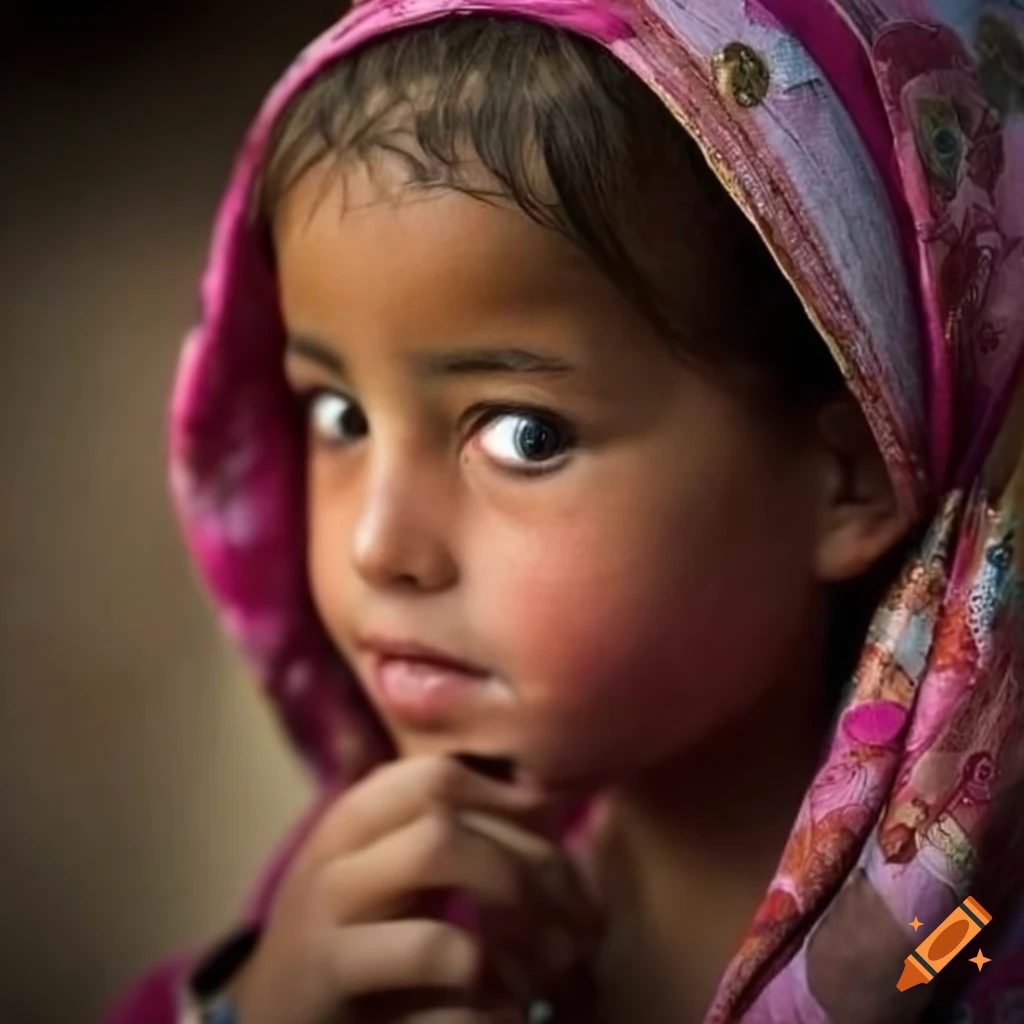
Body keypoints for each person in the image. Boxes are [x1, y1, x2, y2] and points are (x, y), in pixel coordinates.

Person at [105, 0, 1024, 1021]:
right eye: (338, 414)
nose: (377, 545)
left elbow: (952, 964)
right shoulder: (396, 905)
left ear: (845, 474)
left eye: (524, 436)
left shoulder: (964, 933)